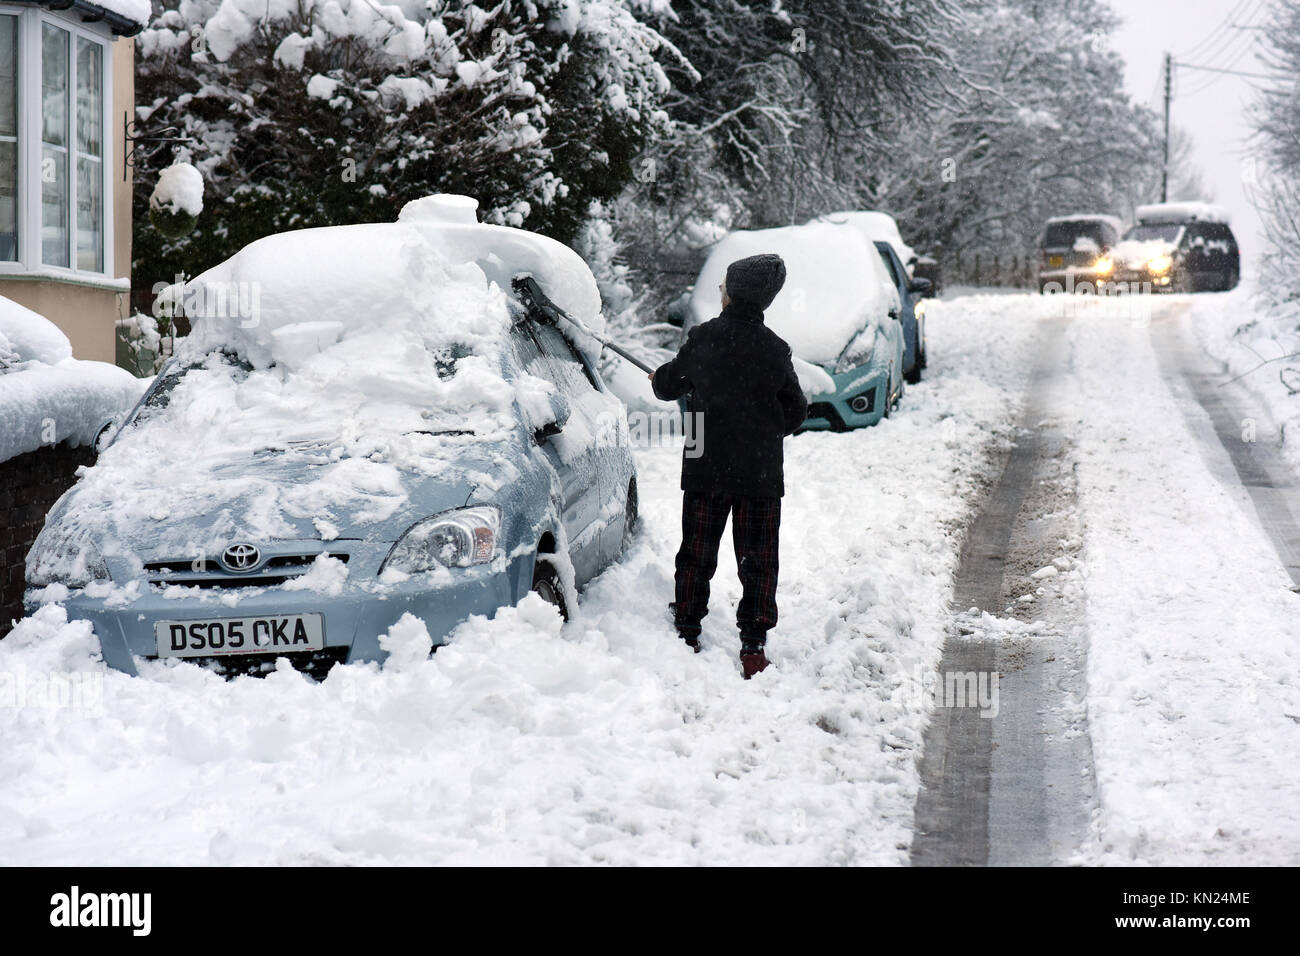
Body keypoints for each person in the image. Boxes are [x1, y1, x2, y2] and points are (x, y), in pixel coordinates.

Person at [649, 253, 807, 678]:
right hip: (759, 472)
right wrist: (762, 426)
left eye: (723, 286)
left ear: (733, 293)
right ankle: (753, 643)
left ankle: (686, 623)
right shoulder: (775, 349)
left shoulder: (704, 338)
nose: (719, 291)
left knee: (698, 548)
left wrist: (666, 378)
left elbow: (668, 385)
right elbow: (796, 411)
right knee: (758, 557)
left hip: (706, 462)